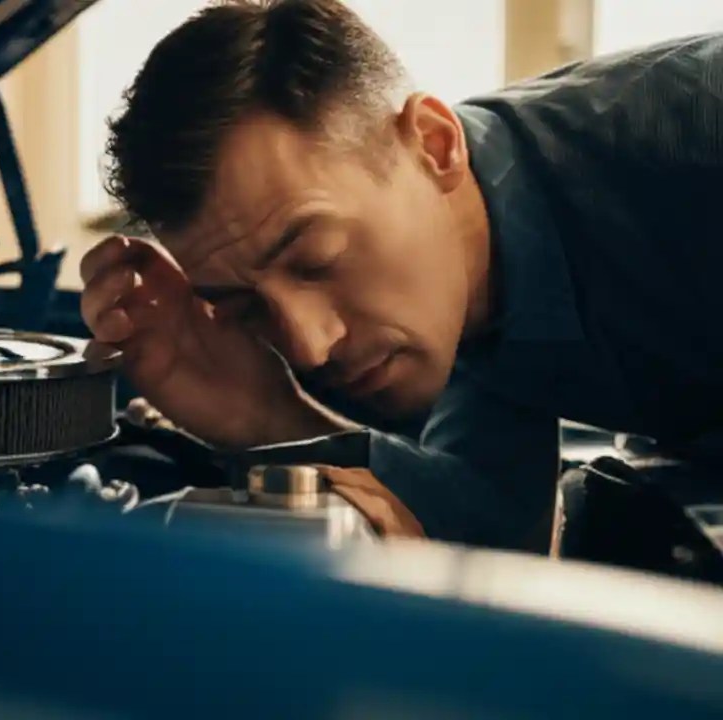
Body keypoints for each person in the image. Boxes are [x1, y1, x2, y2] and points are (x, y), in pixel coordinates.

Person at [79, 0, 723, 552]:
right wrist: (263, 410)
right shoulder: (461, 279)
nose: (309, 344)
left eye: (318, 259)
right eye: (246, 305)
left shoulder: (698, 136)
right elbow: (497, 533)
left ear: (435, 144)